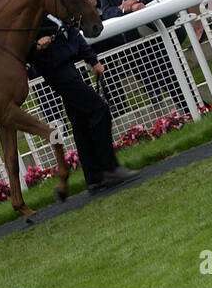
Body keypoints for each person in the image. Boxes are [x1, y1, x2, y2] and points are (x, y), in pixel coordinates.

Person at [26, 15, 140, 193]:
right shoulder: (34, 17)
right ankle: (110, 169)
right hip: (57, 71)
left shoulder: (57, 11)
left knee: (80, 122)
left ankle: (94, 178)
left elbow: (74, 35)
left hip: (69, 67)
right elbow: (23, 48)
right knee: (99, 109)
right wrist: (37, 46)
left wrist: (93, 60)